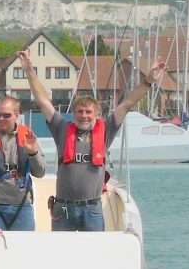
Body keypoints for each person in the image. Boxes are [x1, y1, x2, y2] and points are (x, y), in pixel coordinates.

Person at [20, 49, 166, 231]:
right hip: (63, 208)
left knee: (95, 254)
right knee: (61, 253)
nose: (84, 116)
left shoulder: (106, 130)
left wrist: (148, 81)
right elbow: (43, 101)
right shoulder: (62, 129)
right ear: (73, 114)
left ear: (97, 115)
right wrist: (28, 70)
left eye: (88, 112)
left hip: (92, 209)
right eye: (80, 112)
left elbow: (127, 104)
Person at [0, 94, 45, 231]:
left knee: (23, 249)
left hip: (22, 206)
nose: (1, 119)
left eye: (6, 115)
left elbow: (40, 172)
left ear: (17, 115)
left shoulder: (28, 137)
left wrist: (33, 153)